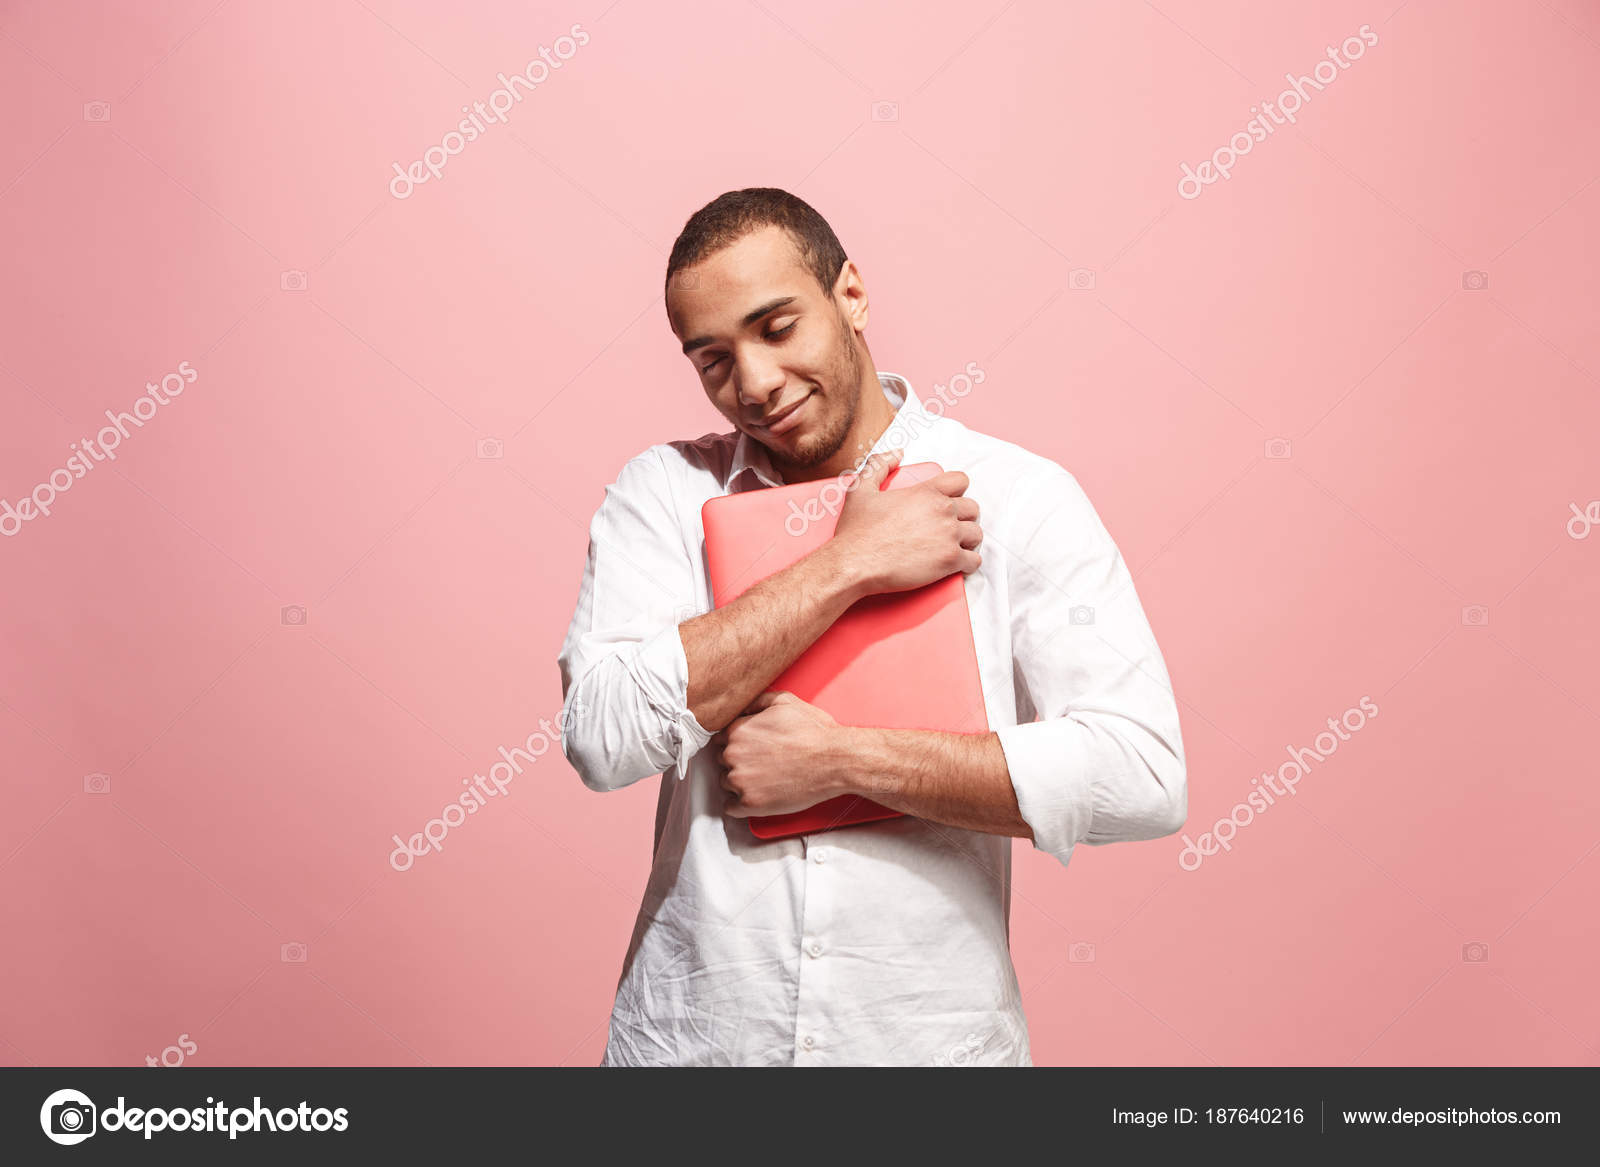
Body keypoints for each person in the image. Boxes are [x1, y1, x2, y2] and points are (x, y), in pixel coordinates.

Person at [557, 187, 1187, 1066]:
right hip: (697, 1049)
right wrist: (846, 564)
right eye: (713, 359)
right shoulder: (662, 495)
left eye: (776, 328)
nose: (755, 383)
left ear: (850, 294)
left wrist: (842, 761)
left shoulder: (1015, 495)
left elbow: (1143, 774)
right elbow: (601, 734)